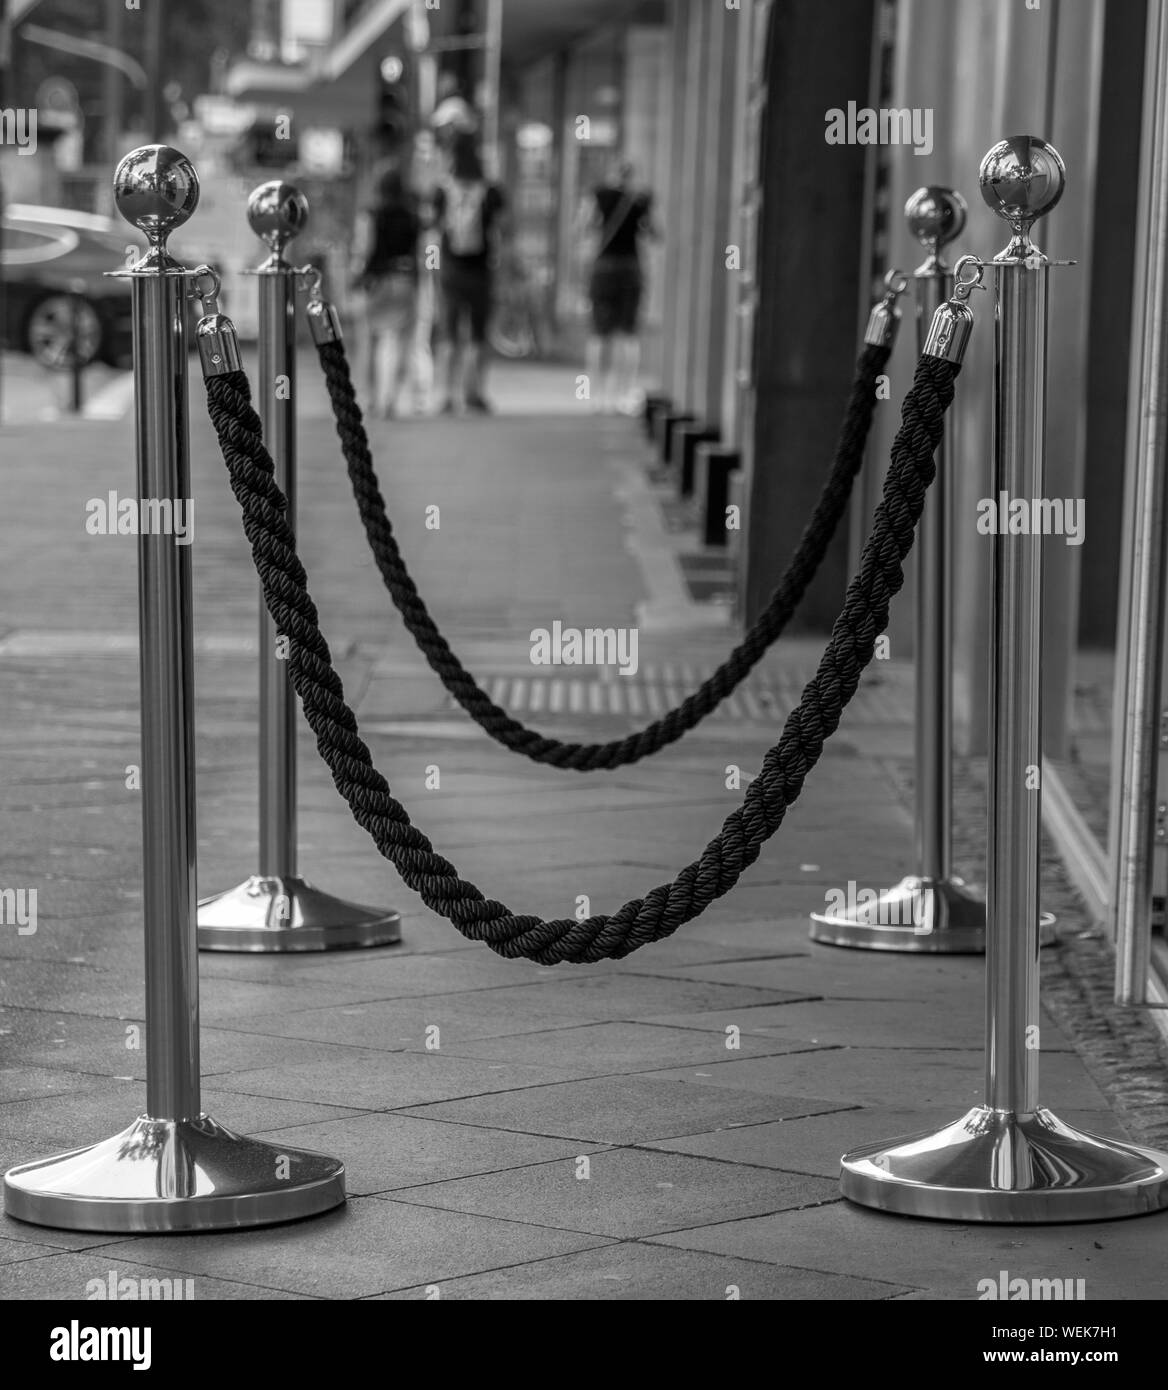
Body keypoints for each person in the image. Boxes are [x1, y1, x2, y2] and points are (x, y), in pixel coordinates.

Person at [431, 131, 506, 414]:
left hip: (450, 270)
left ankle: (445, 395)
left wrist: (433, 266)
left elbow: (433, 230)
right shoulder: (490, 191)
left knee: (448, 332)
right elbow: (502, 229)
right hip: (481, 270)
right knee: (477, 333)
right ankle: (473, 393)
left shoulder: (443, 189)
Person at [582, 159, 657, 415]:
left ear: (613, 174)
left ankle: (596, 398)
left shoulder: (599, 195)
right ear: (632, 177)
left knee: (599, 334)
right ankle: (623, 395)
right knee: (628, 334)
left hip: (603, 267)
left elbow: (582, 225)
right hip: (630, 269)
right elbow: (655, 233)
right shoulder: (639, 199)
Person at [350, 162, 422, 418]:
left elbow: (364, 250)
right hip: (404, 281)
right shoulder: (413, 216)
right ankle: (391, 399)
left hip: (376, 283)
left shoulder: (370, 215)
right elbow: (421, 252)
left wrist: (357, 277)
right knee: (403, 343)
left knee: (369, 341)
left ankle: (370, 399)